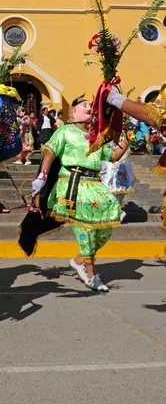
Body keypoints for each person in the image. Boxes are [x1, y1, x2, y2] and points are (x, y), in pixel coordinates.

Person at [31, 95, 129, 292]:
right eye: (83, 105)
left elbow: (112, 156)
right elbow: (50, 152)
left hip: (95, 185)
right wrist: (42, 176)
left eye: (90, 106)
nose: (88, 108)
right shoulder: (65, 131)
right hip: (72, 184)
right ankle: (92, 275)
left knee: (106, 228)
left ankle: (78, 261)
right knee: (86, 229)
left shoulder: (98, 135)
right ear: (73, 113)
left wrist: (128, 140)